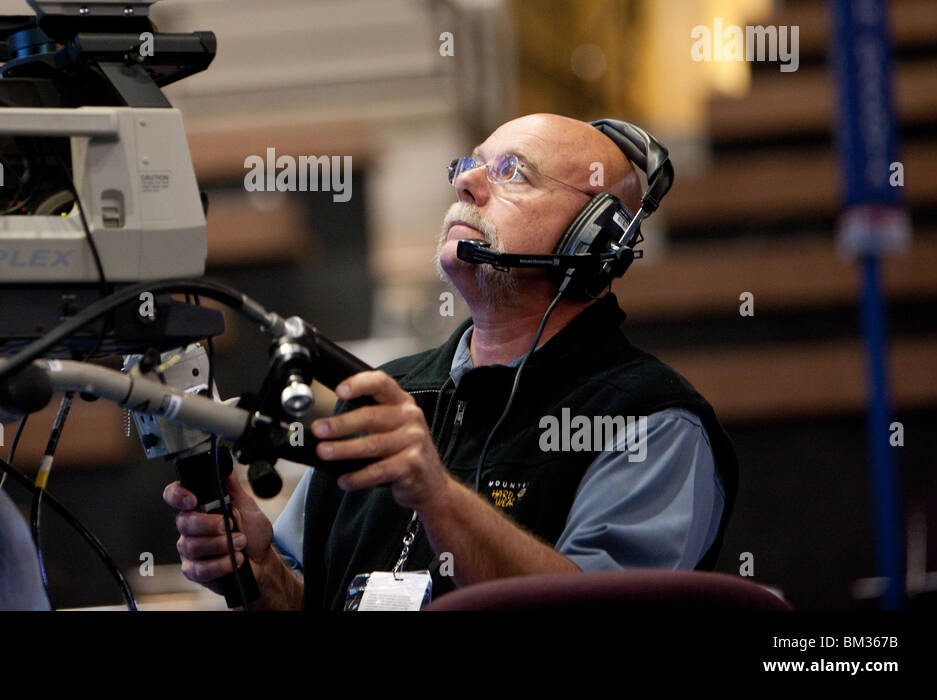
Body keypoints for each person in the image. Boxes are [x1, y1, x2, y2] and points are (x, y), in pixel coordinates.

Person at [164, 113, 737, 610]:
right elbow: (306, 600)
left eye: (512, 171)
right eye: (471, 164)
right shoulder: (386, 392)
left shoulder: (651, 421)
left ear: (591, 238)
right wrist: (261, 573)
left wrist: (435, 494)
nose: (466, 182)